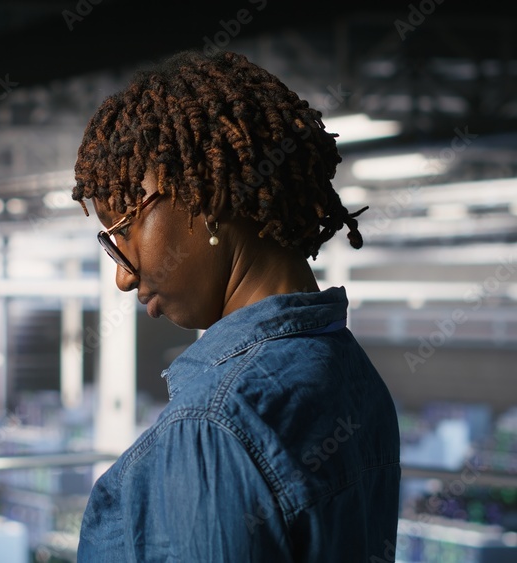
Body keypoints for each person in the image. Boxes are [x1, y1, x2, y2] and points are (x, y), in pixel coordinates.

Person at [71, 49, 401, 561]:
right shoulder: (351, 375)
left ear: (202, 197)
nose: (121, 275)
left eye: (123, 231)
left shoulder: (212, 425)